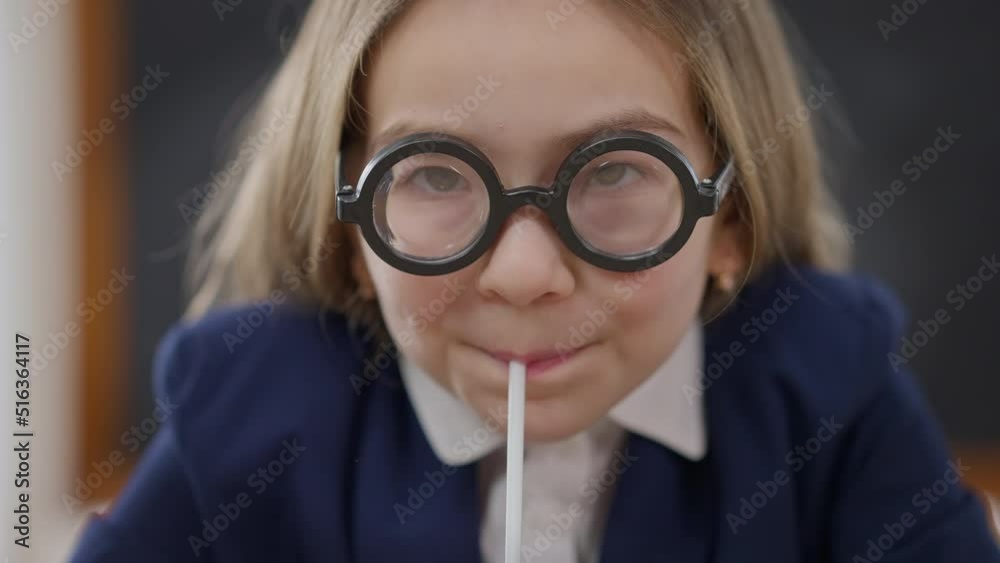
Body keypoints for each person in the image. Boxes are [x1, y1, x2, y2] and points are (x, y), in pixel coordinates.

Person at [69, 0, 1000, 561]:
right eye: (433, 174)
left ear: (733, 223)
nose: (522, 272)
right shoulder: (249, 403)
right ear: (349, 229)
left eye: (616, 171)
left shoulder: (827, 387)